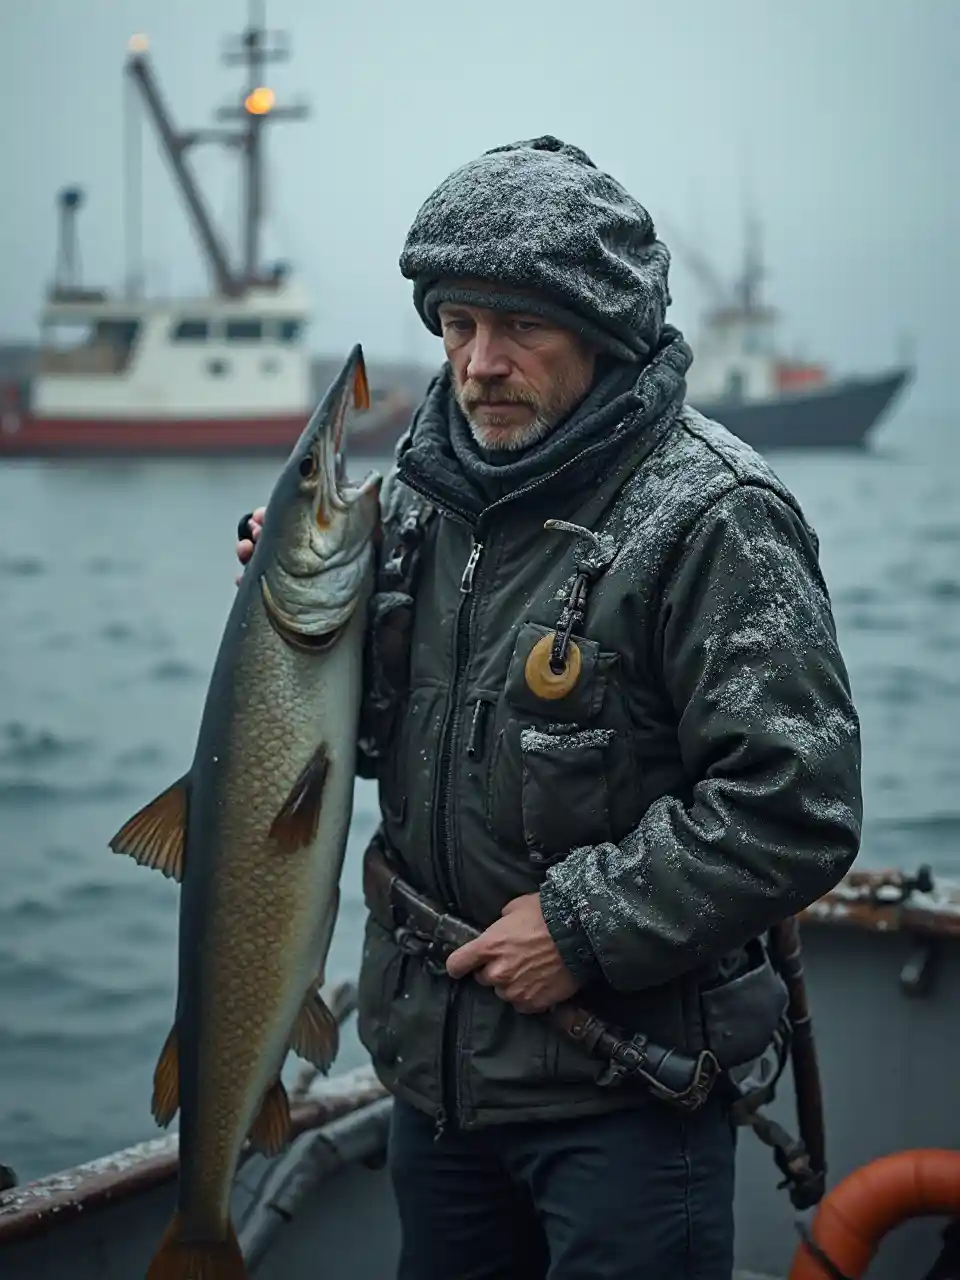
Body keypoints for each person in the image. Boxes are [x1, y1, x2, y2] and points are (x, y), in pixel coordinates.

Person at [236, 136, 862, 1280]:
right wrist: (311, 636)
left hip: (624, 1096)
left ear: (605, 329)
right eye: (458, 326)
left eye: (519, 325)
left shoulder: (713, 516)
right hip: (436, 1087)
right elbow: (379, 748)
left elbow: (796, 801)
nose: (479, 362)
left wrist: (581, 927)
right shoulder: (422, 510)